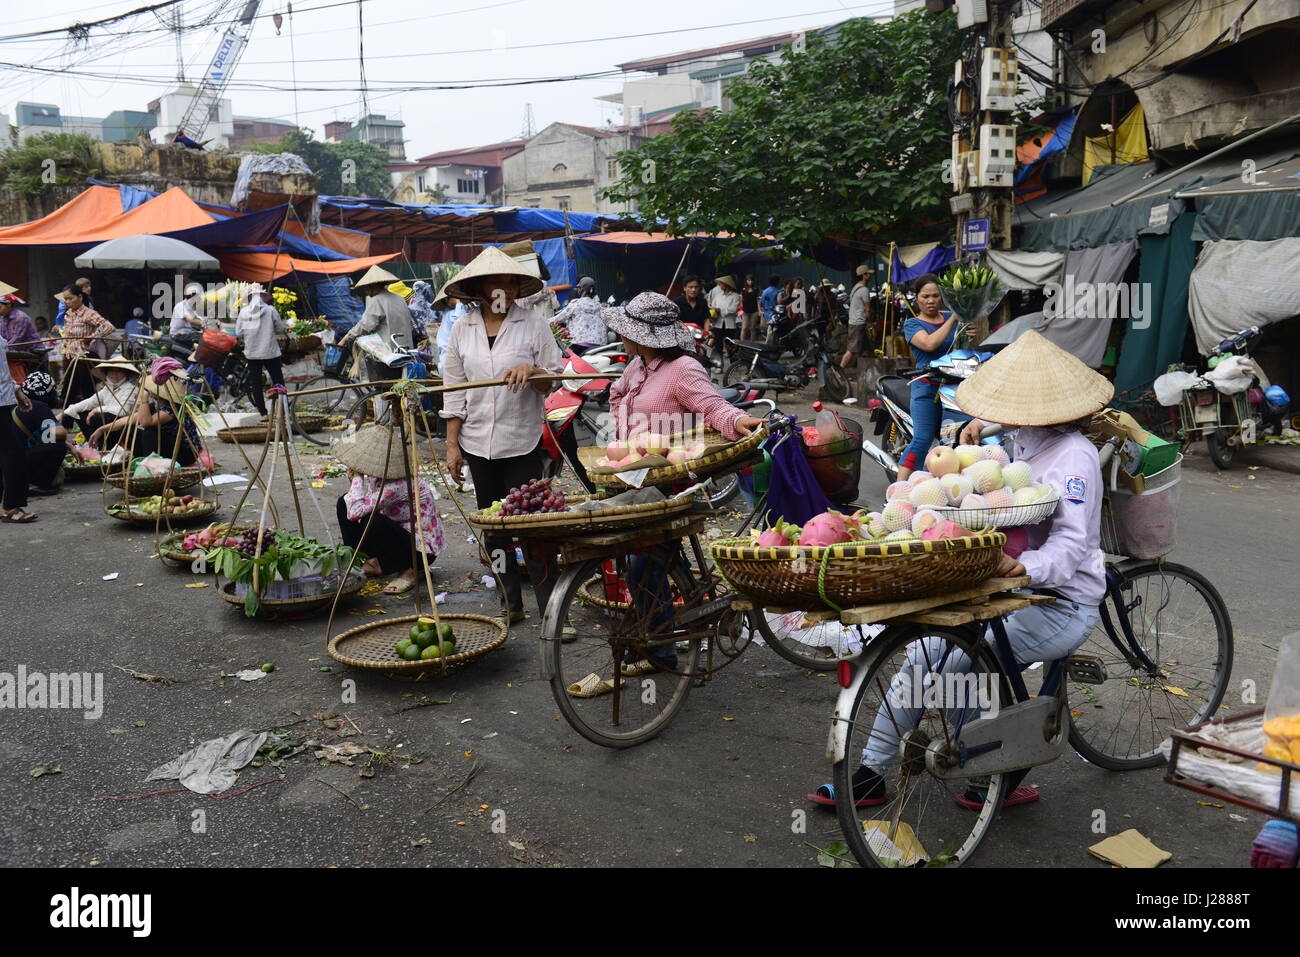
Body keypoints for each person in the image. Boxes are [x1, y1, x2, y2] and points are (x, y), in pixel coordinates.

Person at [813, 330, 1113, 811]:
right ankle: (869, 772)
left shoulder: (1075, 457)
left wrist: (1024, 565)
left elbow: (1073, 544)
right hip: (1004, 586)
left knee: (952, 663)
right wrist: (979, 427)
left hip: (1059, 601)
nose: (1012, 414)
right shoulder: (1028, 435)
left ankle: (991, 768)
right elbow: (1010, 449)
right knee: (925, 653)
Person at [604, 292, 765, 672]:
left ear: (644, 335)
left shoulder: (683, 369)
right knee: (641, 563)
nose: (622, 337)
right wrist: (623, 433)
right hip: (632, 478)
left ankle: (660, 648)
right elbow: (616, 394)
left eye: (627, 331)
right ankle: (660, 630)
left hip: (670, 482)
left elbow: (712, 405)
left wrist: (738, 421)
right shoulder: (637, 366)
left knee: (646, 565)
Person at [438, 246, 565, 623]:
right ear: (480, 289)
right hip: (477, 444)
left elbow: (554, 377)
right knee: (495, 532)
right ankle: (510, 604)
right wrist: (451, 445)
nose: (505, 291)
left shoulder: (533, 324)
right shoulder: (463, 328)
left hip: (521, 441)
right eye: (498, 283)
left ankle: (554, 611)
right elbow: (454, 390)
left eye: (511, 283)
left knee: (534, 527)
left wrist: (532, 369)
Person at [335, 425, 446, 595]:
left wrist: (357, 478)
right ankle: (371, 561)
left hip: (419, 549)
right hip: (399, 535)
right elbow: (353, 506)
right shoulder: (378, 475)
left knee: (368, 518)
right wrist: (356, 482)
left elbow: (356, 512)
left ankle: (409, 571)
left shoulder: (399, 483)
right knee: (343, 502)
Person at [895, 273, 959, 481]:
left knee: (954, 439)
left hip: (952, 387)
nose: (931, 301)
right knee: (922, 439)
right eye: (925, 296)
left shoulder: (951, 317)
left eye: (935, 296)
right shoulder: (912, 324)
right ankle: (897, 491)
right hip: (925, 387)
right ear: (916, 298)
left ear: (941, 297)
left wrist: (969, 333)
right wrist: (955, 319)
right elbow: (930, 344)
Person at [91, 358, 202, 466]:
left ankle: (148, 464)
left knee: (150, 429)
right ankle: (144, 459)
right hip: (168, 447)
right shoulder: (157, 404)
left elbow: (146, 423)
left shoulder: (173, 408)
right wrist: (102, 429)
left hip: (185, 453)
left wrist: (143, 399)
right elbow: (131, 419)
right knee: (128, 428)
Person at [338, 266, 415, 414]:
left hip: (388, 352)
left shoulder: (377, 300)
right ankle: (396, 413)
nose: (367, 292)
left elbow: (366, 325)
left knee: (384, 386)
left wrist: (347, 337)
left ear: (373, 286)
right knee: (397, 386)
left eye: (367, 288)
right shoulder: (398, 298)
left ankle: (390, 417)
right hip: (404, 348)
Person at [58, 283, 117, 406]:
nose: (67, 302)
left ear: (79, 297)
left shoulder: (89, 313)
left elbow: (108, 327)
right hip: (71, 358)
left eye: (70, 298)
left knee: (87, 391)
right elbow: (68, 336)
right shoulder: (68, 314)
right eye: (65, 299)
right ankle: (67, 422)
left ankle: (91, 421)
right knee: (68, 392)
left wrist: (91, 337)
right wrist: (65, 344)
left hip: (85, 358)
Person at [0, 328, 36, 522]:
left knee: (6, 453)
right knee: (13, 453)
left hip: (4, 400)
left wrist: (17, 391)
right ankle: (11, 506)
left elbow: (2, 371)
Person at [234, 285, 287, 419]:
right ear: (263, 297)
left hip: (252, 353)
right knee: (278, 381)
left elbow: (238, 333)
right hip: (270, 352)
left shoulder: (244, 312)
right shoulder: (270, 310)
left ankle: (263, 414)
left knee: (255, 383)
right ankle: (283, 411)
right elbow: (280, 328)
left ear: (250, 298)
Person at [61, 359, 140, 443]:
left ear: (125, 373)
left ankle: (107, 444)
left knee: (102, 416)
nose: (114, 374)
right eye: (111, 371)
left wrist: (98, 409)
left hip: (126, 427)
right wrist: (65, 413)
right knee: (81, 413)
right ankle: (94, 443)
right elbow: (89, 402)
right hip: (109, 426)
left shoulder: (131, 388)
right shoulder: (108, 388)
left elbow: (123, 411)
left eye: (119, 371)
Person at [13, 371, 67, 494]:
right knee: (58, 445)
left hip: (9, 461)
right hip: (18, 462)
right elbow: (59, 433)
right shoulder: (38, 406)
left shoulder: (15, 403)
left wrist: (72, 445)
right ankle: (36, 484)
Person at [551, 276, 606, 352]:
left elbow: (558, 319)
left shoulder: (576, 304)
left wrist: (542, 321)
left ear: (582, 289)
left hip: (580, 345)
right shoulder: (599, 306)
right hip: (600, 345)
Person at [840, 265, 874, 369]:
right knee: (851, 350)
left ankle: (865, 371)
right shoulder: (864, 290)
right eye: (869, 273)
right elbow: (867, 308)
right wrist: (870, 321)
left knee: (865, 350)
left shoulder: (856, 287)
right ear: (864, 275)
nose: (871, 275)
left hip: (855, 322)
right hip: (858, 323)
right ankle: (838, 371)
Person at [706, 275, 741, 365]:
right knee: (718, 346)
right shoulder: (718, 296)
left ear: (726, 285)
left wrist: (720, 310)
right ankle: (719, 365)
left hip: (730, 324)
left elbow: (733, 309)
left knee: (730, 345)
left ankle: (733, 364)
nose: (719, 286)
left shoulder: (735, 296)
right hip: (718, 323)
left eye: (721, 284)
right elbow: (712, 306)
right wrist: (714, 310)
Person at [740, 276, 761, 342]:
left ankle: (753, 344)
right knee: (744, 327)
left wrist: (759, 310)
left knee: (752, 328)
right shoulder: (743, 290)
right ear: (746, 281)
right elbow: (741, 301)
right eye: (748, 280)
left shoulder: (756, 289)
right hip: (745, 311)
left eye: (751, 280)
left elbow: (758, 300)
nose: (750, 282)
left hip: (754, 311)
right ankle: (741, 344)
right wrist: (740, 310)